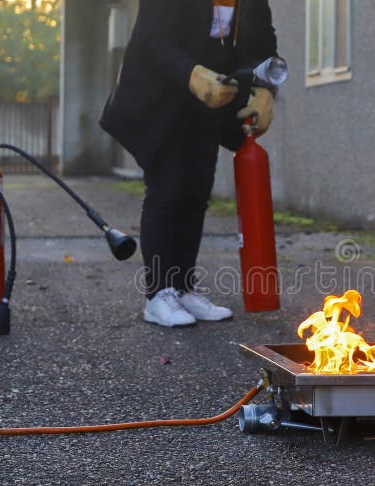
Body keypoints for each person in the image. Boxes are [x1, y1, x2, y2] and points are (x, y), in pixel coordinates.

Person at [100, 0, 279, 327]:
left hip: (212, 98)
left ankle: (182, 288)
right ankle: (158, 295)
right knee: (167, 189)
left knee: (196, 192)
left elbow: (264, 41)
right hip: (164, 92)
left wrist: (265, 89)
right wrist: (192, 74)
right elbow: (152, 39)